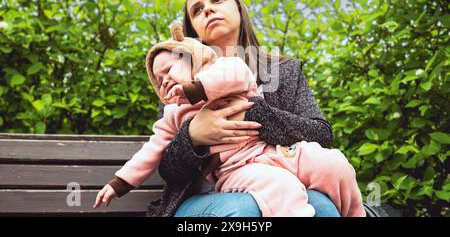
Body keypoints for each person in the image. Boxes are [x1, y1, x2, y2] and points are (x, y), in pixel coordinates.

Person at [93, 23, 365, 217]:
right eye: (159, 81)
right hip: (236, 170)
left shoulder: (229, 68)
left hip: (275, 153)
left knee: (333, 163)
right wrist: (121, 182)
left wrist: (203, 92)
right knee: (283, 189)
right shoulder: (173, 111)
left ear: (193, 57)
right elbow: (155, 154)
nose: (165, 81)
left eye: (168, 70)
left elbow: (235, 73)